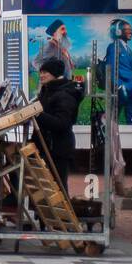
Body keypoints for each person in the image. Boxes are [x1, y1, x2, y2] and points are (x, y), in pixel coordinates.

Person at [35, 58, 83, 191]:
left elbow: (62, 123)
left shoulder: (64, 95)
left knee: (58, 188)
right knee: (49, 189)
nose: (41, 75)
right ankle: (45, 212)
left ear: (55, 74)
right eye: (41, 72)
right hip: (48, 147)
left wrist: (37, 114)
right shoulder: (48, 90)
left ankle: (63, 212)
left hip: (58, 149)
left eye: (45, 72)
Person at [103, 19, 132, 125]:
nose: (130, 32)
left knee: (131, 117)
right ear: (119, 32)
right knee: (114, 119)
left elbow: (129, 68)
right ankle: (111, 141)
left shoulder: (129, 49)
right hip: (121, 90)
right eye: (127, 30)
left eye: (131, 30)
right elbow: (111, 69)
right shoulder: (113, 47)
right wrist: (119, 86)